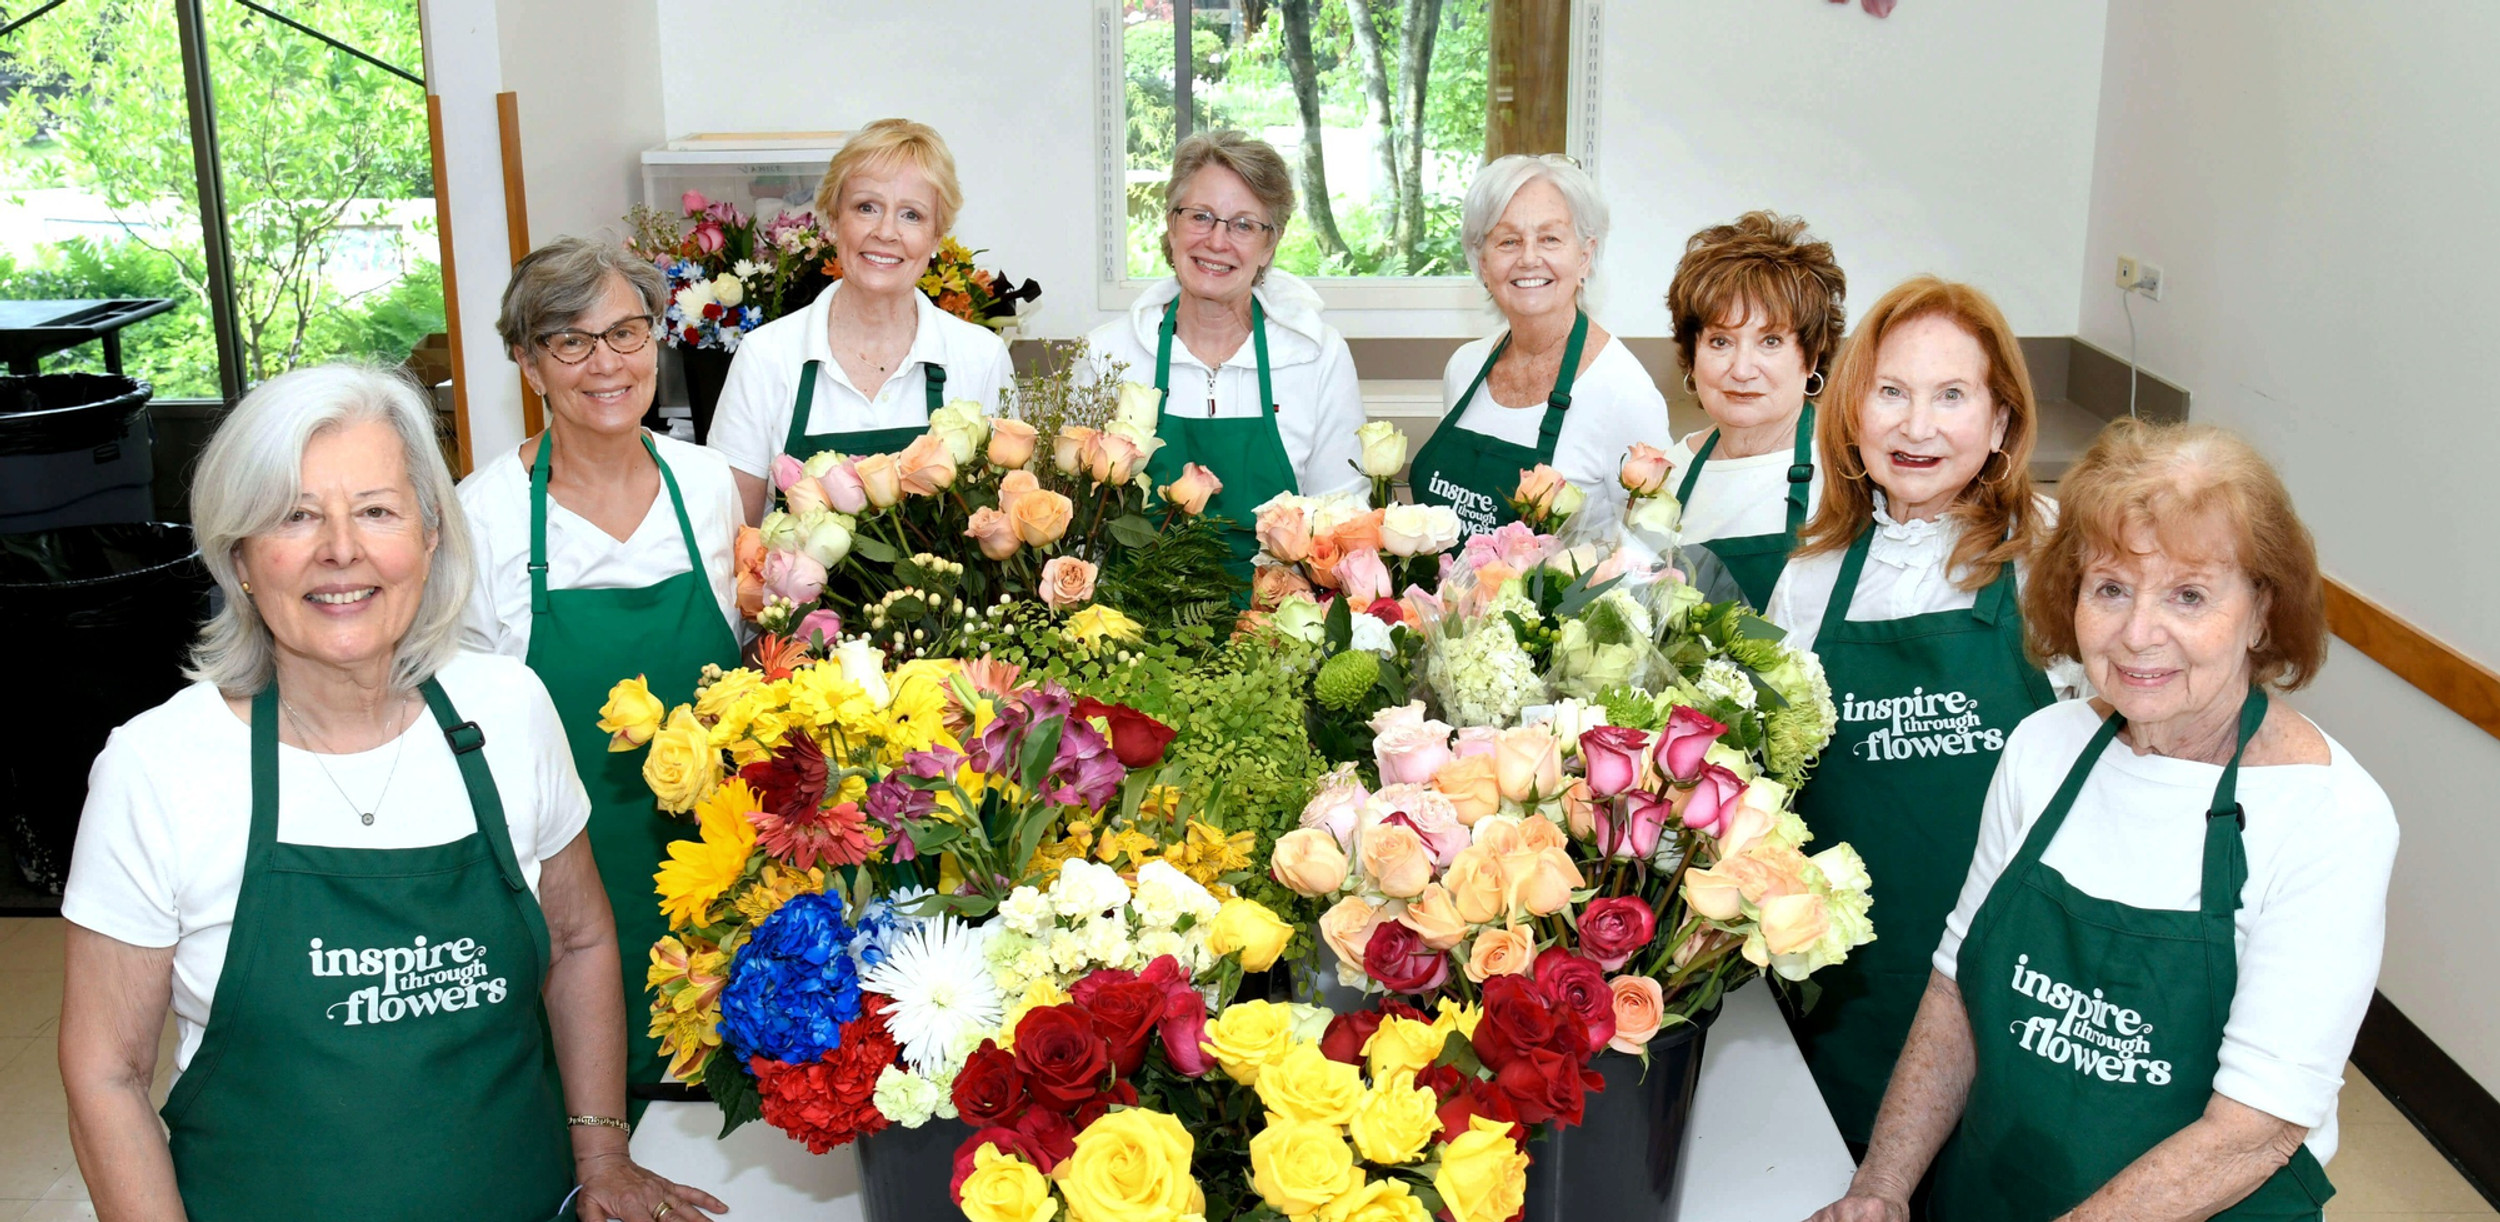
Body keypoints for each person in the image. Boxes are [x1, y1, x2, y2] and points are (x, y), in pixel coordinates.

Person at [57, 364, 725, 1221]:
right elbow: (105, 1074)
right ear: (240, 556)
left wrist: (600, 1150)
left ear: (431, 535)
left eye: (376, 511)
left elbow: (581, 940)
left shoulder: (509, 710)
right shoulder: (157, 768)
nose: (342, 550)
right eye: (295, 515)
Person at [1808, 419, 2393, 1222]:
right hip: (1994, 1189)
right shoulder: (2040, 748)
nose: (2138, 634)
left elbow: (2253, 1133)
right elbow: (1956, 992)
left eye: (2189, 595)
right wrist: (1881, 1187)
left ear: (2262, 611)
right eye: (2111, 588)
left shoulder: (2330, 817)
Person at [1765, 276, 2083, 1150]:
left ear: (2001, 421)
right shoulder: (1813, 577)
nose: (1917, 426)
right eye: (1892, 392)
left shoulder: (2053, 559)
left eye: (1951, 396)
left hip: (2006, 973)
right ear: (1852, 411)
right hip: (1851, 983)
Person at [459, 236, 746, 1124]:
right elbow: (467, 735)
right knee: (587, 1126)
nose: (607, 363)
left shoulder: (708, 487)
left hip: (720, 887)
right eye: (570, 342)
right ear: (527, 362)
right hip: (564, 893)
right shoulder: (482, 517)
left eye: (625, 332)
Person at [1086, 129, 1366, 573]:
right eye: (1201, 216)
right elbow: (1085, 531)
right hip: (1131, 609)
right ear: (1171, 225)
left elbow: (1342, 519)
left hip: (1278, 610)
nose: (1217, 241)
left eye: (1243, 225)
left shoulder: (1317, 357)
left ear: (1269, 245)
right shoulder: (1107, 354)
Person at [709, 117, 1014, 523]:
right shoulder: (765, 358)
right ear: (833, 220)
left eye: (912, 215)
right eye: (866, 208)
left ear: (936, 237)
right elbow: (735, 541)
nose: (886, 232)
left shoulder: (981, 358)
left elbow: (1005, 525)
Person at [1408, 154, 1668, 537]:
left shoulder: (1624, 393)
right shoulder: (1464, 367)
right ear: (1483, 263)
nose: (1529, 258)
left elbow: (1653, 551)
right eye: (1508, 241)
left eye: (1550, 239)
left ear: (1584, 256)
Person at [1660, 210, 1846, 607]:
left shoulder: (1849, 471)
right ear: (1692, 354)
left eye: (1770, 341)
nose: (1742, 370)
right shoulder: (1665, 477)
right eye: (1721, 341)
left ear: (1812, 355)